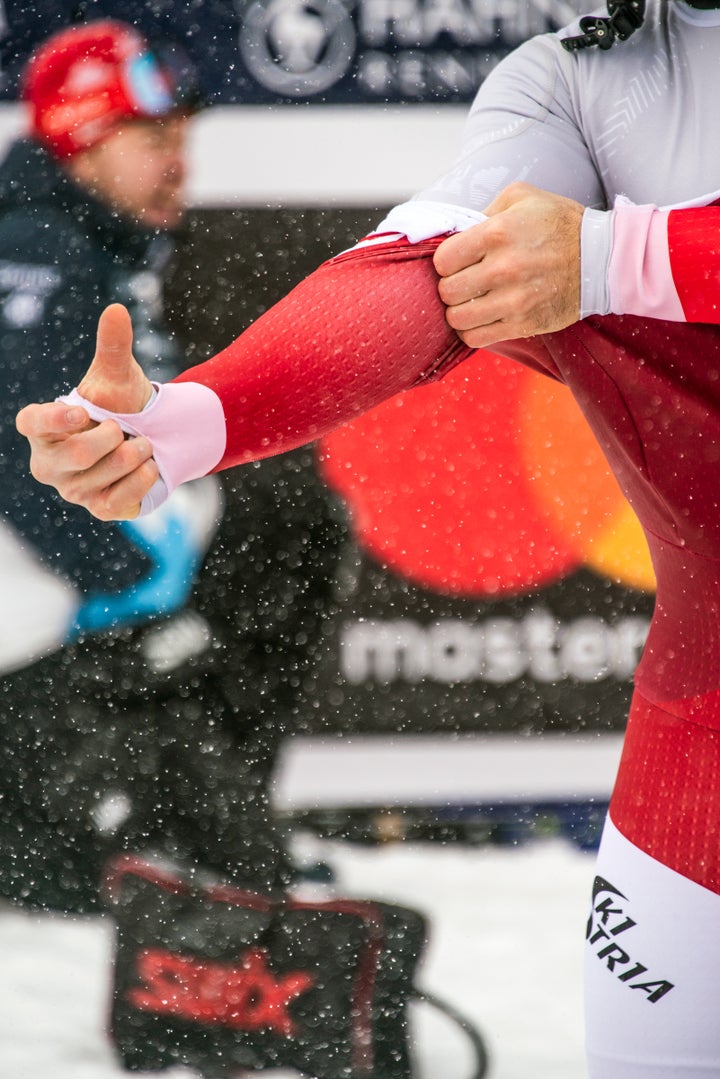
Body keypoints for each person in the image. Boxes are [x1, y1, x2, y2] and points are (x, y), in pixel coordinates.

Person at [14, 1, 720, 1074]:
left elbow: (589, 258)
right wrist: (193, 420)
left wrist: (622, 254)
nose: (175, 163)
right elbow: (418, 278)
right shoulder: (573, 77)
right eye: (151, 136)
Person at [1, 19, 343, 914]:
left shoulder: (84, 242)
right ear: (79, 143)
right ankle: (162, 835)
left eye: (183, 137)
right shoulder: (36, 248)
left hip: (84, 610)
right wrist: (135, 590)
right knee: (281, 533)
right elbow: (14, 444)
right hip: (44, 641)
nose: (179, 161)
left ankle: (188, 829)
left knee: (280, 519)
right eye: (154, 138)